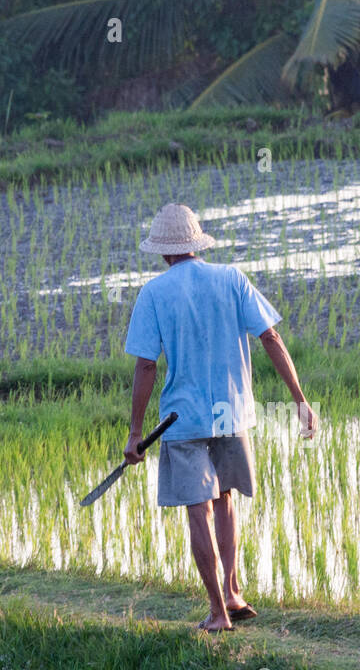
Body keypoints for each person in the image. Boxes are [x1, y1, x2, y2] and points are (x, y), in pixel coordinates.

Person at [124, 203, 317, 633]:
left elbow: (147, 367)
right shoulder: (231, 279)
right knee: (225, 499)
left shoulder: (154, 293)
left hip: (182, 420)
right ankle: (231, 591)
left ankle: (218, 612)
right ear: (196, 244)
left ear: (162, 252)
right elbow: (270, 336)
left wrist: (136, 434)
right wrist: (300, 399)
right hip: (231, 411)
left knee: (199, 510)